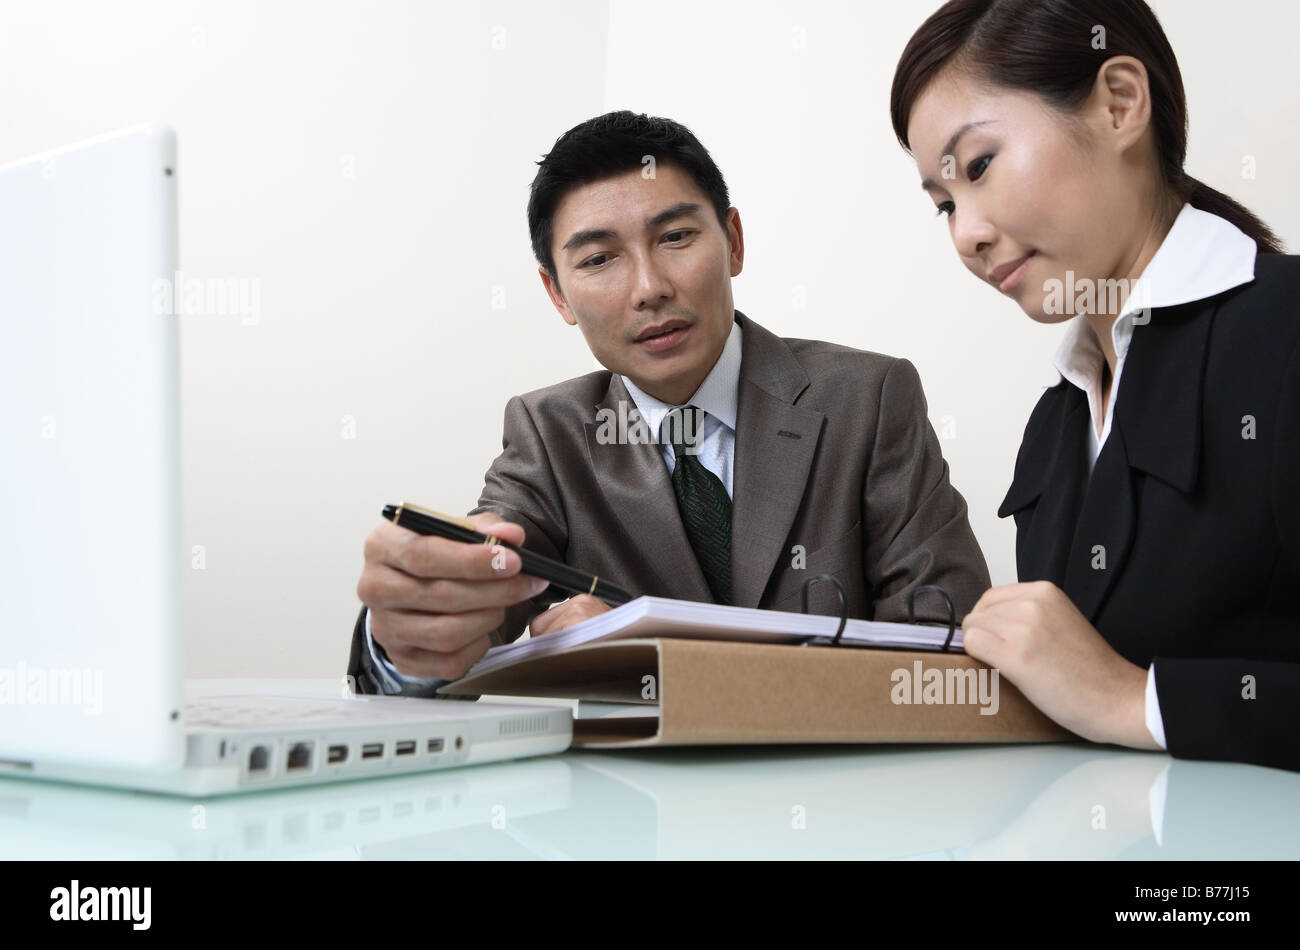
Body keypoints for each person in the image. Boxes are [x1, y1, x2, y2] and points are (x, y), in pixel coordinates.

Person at [347, 111, 990, 695]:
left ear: (733, 241)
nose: (650, 289)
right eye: (599, 259)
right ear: (558, 295)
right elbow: (472, 606)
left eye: (676, 237)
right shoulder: (549, 434)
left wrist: (669, 660)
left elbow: (948, 653)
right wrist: (415, 629)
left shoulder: (868, 398)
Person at [891, 0, 1299, 771]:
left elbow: (1104, 697)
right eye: (944, 204)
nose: (965, 234)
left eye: (978, 166)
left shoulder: (1286, 334)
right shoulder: (1056, 422)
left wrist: (1132, 698)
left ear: (1120, 103)